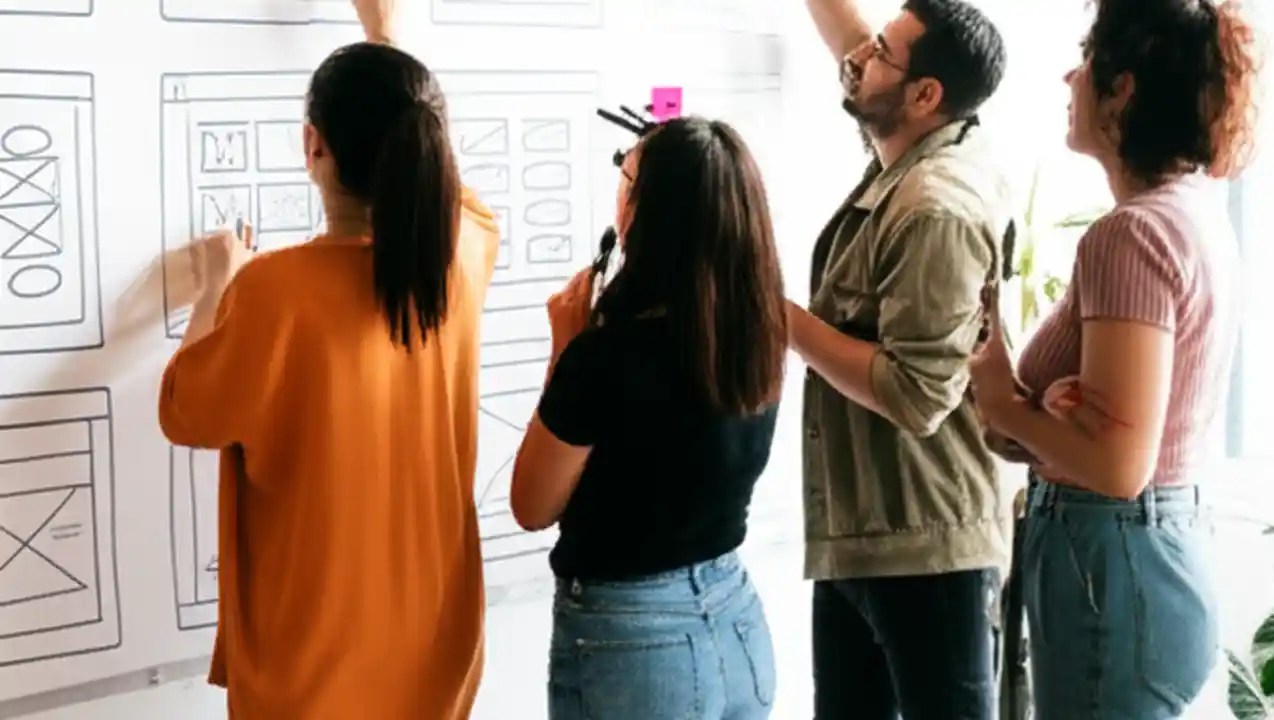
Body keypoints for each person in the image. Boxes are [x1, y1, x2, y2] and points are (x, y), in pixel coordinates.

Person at [156, 2, 501, 716]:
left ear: (312, 144)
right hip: (439, 658)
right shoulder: (461, 258)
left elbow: (183, 410)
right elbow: (451, 184)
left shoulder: (273, 290)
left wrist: (219, 278)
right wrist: (389, 41)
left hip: (311, 672)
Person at [968, 0, 1258, 717]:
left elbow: (1119, 466)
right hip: (1143, 559)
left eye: (1085, 57)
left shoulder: (1131, 236)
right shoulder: (1193, 210)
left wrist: (1007, 400)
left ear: (1121, 88)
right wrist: (1037, 415)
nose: (1070, 76)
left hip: (1113, 569)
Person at [508, 116, 788, 720]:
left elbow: (532, 506)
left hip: (636, 644)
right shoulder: (756, 338)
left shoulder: (605, 357)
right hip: (736, 620)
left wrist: (565, 346)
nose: (619, 190)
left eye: (626, 176)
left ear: (647, 211)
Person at [789, 0, 1012, 717]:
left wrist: (783, 320)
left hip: (927, 555)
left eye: (882, 53)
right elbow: (852, 42)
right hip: (864, 539)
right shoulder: (910, 140)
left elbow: (917, 397)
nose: (859, 60)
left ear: (925, 96)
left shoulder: (934, 208)